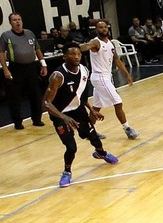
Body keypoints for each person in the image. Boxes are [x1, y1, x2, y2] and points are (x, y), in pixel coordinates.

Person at [43, 43, 119, 188]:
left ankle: (101, 153)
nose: (76, 56)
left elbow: (81, 95)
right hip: (60, 114)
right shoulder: (58, 76)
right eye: (72, 54)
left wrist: (92, 109)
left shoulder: (84, 70)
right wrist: (64, 117)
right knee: (71, 147)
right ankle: (67, 172)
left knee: (93, 136)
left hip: (78, 110)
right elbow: (46, 103)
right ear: (64, 57)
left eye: (78, 54)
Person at [79, 19, 139, 140]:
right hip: (100, 76)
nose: (104, 29)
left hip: (105, 77)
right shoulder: (96, 42)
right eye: (101, 27)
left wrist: (127, 74)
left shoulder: (110, 43)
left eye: (105, 27)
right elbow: (87, 46)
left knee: (96, 107)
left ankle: (88, 132)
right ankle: (128, 129)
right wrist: (79, 47)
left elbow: (116, 60)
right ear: (97, 30)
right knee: (118, 102)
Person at [0, 12, 48, 130]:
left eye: (19, 19)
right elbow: (0, 52)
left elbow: (37, 49)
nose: (17, 22)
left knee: (35, 94)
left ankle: (37, 118)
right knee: (15, 96)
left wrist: (43, 65)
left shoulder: (29, 33)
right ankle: (17, 121)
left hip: (31, 67)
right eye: (14, 20)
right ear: (10, 22)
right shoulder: (6, 35)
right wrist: (5, 69)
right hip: (16, 68)